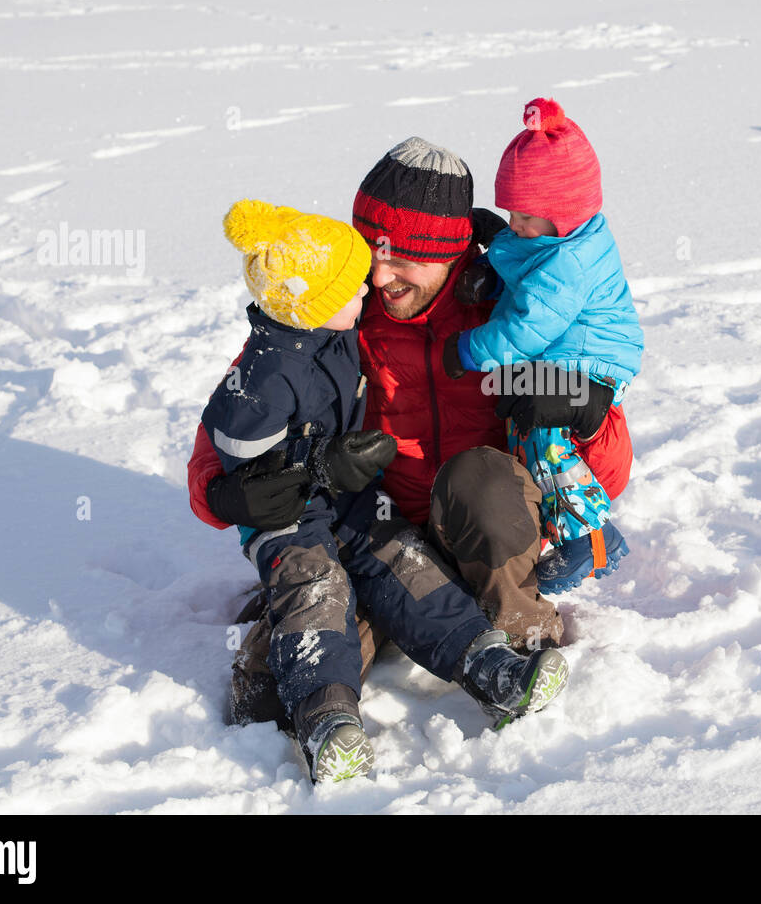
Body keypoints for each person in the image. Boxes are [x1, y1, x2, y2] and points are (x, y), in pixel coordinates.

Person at [185, 138, 634, 729]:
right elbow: (239, 418)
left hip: (482, 535)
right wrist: (226, 494)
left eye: (403, 257)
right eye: (371, 249)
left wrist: (588, 412)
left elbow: (605, 477)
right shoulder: (337, 308)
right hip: (375, 537)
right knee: (277, 690)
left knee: (483, 479)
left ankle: (517, 634)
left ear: (451, 254)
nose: (379, 273)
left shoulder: (513, 313)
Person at [197, 199, 567, 783]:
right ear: (315, 301)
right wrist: (247, 490)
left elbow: (591, 449)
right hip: (297, 518)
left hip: (367, 506)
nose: (372, 285)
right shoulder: (275, 364)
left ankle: (489, 663)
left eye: (403, 262)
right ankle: (328, 723)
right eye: (355, 284)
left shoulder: (500, 313)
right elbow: (229, 450)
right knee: (315, 599)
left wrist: (510, 264)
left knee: (409, 566)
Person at [442, 98, 643, 593]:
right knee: (524, 429)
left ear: (565, 215)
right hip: (565, 360)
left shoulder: (567, 264)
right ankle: (560, 527)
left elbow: (526, 328)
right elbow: (526, 274)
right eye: (512, 212)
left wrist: (468, 349)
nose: (515, 224)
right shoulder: (559, 239)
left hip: (590, 366)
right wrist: (492, 277)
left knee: (546, 437)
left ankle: (590, 536)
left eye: (526, 216)